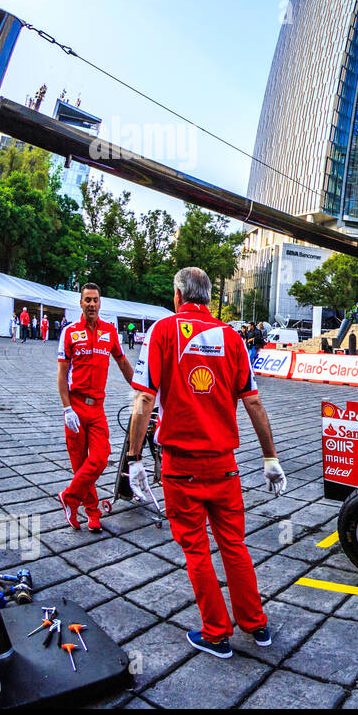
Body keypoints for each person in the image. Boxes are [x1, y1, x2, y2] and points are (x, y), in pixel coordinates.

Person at [126, 266, 286, 659]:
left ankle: (216, 632)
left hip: (180, 465)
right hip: (224, 464)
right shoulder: (232, 338)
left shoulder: (163, 331)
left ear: (178, 295)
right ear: (209, 297)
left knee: (196, 551)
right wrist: (270, 457)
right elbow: (253, 401)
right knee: (234, 544)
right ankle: (255, 623)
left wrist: (132, 458)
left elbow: (145, 400)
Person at [57, 283, 136, 533]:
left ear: (100, 303)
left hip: (98, 408)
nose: (91, 304)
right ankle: (92, 513)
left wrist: (139, 388)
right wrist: (67, 409)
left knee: (100, 458)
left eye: (95, 300)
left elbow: (123, 362)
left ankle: (69, 497)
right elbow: (61, 375)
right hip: (76, 407)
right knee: (80, 466)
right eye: (87, 300)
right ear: (80, 303)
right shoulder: (69, 332)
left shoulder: (111, 332)